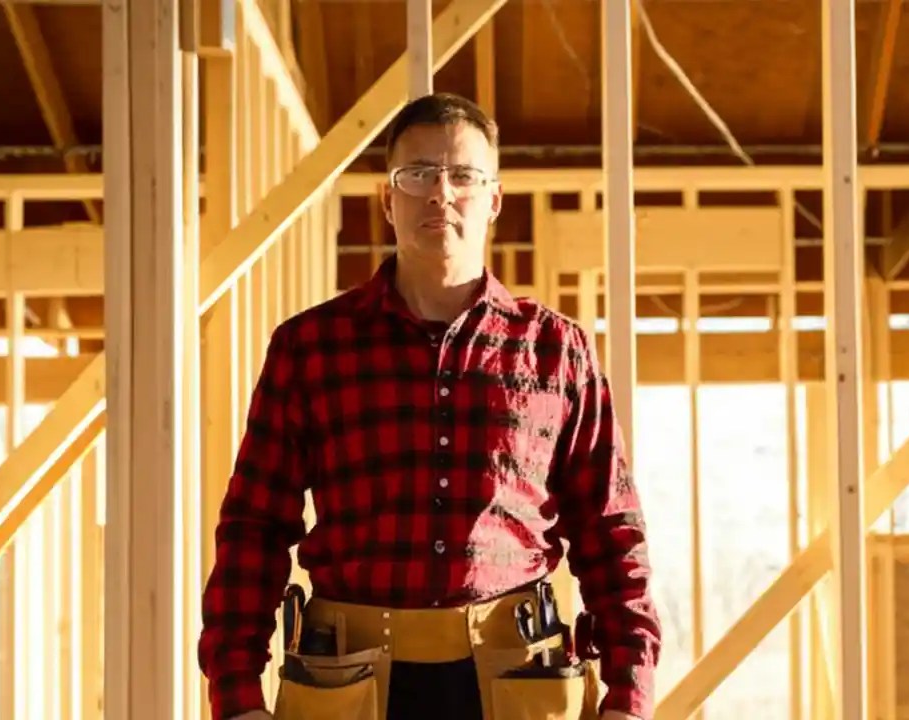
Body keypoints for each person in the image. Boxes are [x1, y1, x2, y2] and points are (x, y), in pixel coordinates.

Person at [198, 92, 661, 720]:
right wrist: (236, 695)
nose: (440, 193)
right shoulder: (309, 348)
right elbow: (254, 527)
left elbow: (611, 532)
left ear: (494, 199)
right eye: (417, 175)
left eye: (463, 175)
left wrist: (628, 697)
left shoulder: (557, 351)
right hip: (345, 686)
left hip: (519, 682)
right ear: (388, 200)